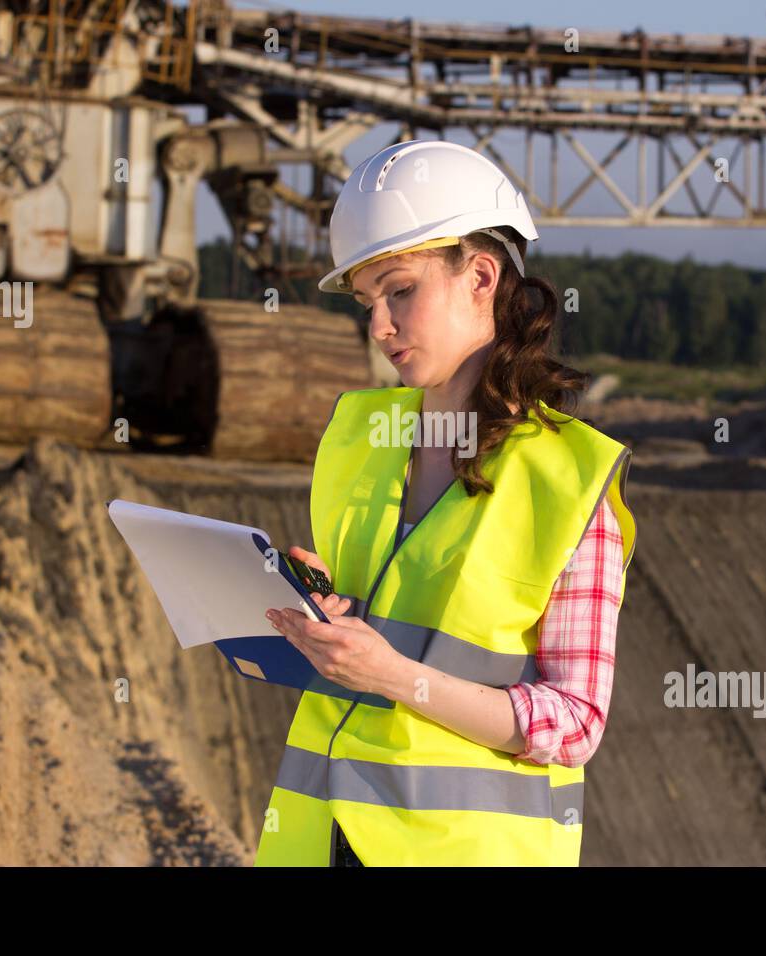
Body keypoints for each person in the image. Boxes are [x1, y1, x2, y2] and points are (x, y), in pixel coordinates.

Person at [256, 139, 637, 866]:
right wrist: (324, 613)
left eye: (401, 290)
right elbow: (393, 625)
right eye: (370, 301)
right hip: (321, 837)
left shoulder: (568, 480)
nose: (379, 326)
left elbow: (575, 721)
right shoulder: (360, 440)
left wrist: (394, 676)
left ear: (481, 277)